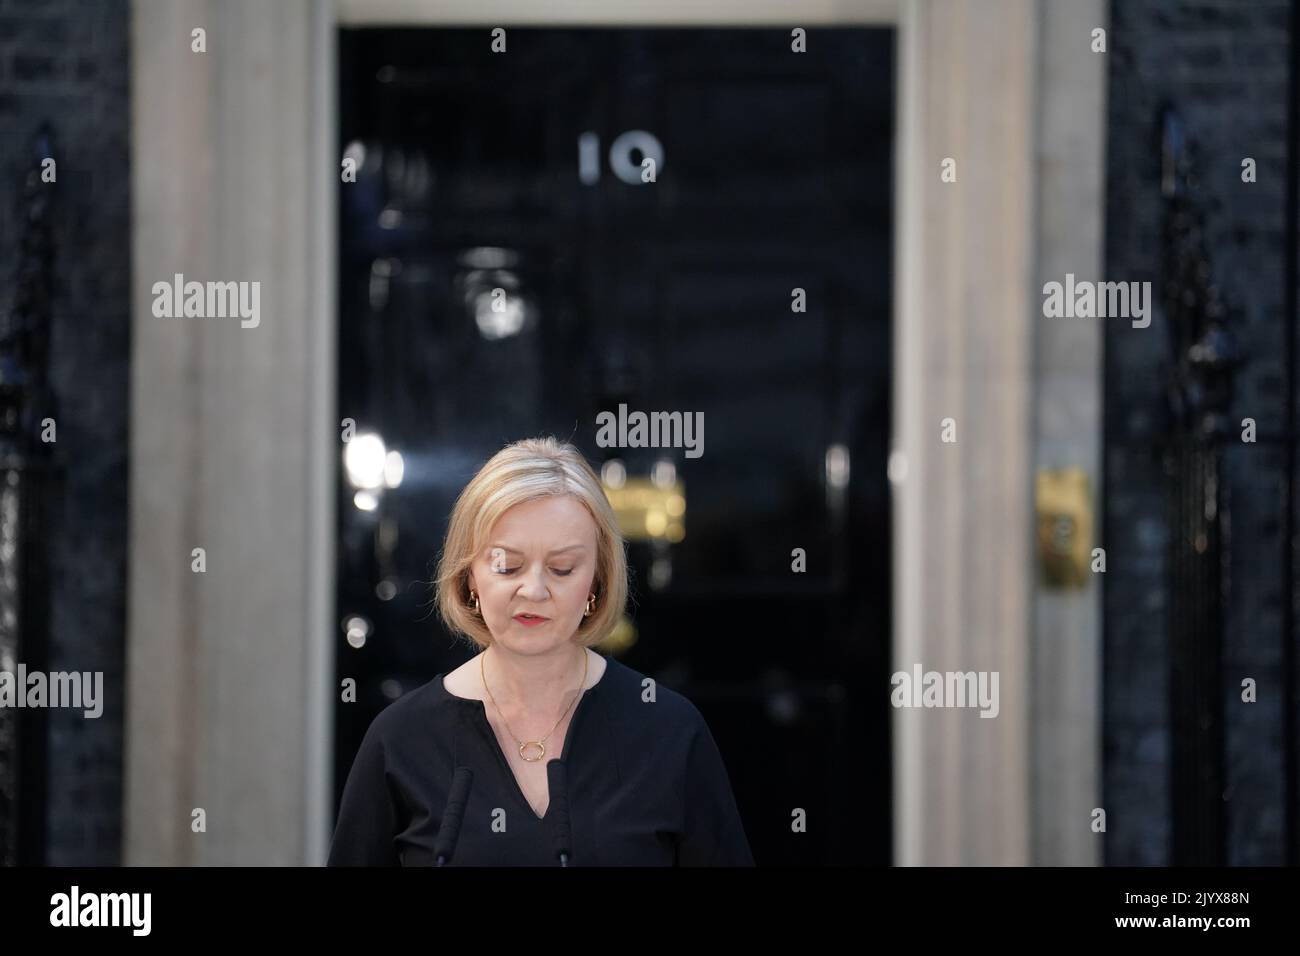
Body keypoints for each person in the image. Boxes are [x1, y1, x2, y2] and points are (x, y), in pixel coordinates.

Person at [327, 436, 754, 866]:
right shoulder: (401, 738)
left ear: (596, 582)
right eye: (507, 566)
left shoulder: (669, 731)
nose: (533, 590)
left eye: (562, 568)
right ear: (470, 575)